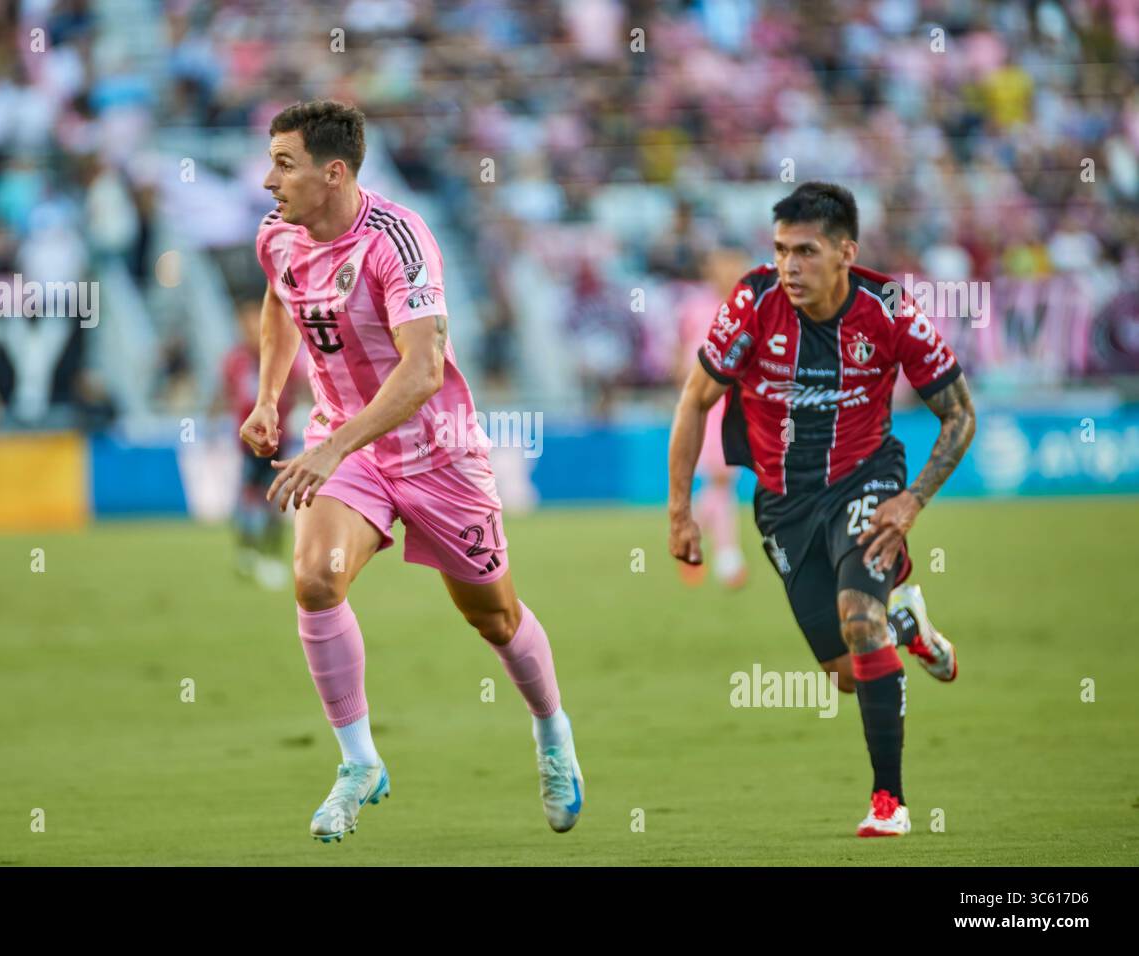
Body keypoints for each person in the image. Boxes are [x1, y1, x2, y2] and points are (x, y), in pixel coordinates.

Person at [240, 100, 583, 842]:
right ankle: (359, 761)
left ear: (334, 174)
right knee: (315, 579)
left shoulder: (399, 240)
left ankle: (552, 732)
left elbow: (423, 369)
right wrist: (271, 395)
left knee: (493, 616)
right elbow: (277, 302)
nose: (269, 180)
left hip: (438, 451)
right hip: (349, 445)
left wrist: (331, 447)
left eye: (284, 163)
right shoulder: (277, 237)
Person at [668, 182, 977, 836]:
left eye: (805, 252)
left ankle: (889, 803)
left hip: (866, 476)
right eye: (781, 250)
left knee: (857, 618)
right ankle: (907, 623)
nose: (789, 267)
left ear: (845, 252)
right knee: (847, 673)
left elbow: (960, 414)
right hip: (783, 504)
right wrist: (679, 511)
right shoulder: (751, 301)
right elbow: (695, 399)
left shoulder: (889, 306)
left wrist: (911, 500)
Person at [675, 247, 750, 589]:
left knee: (723, 482)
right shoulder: (697, 307)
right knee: (721, 479)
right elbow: (683, 358)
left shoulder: (747, 308)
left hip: (739, 404)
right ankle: (727, 557)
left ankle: (689, 538)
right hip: (709, 405)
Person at [220, 299, 298, 589]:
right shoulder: (235, 360)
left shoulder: (281, 355)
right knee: (246, 500)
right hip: (247, 443)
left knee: (275, 501)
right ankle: (247, 550)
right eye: (246, 323)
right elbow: (227, 393)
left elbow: (301, 387)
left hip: (278, 441)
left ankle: (272, 557)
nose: (251, 328)